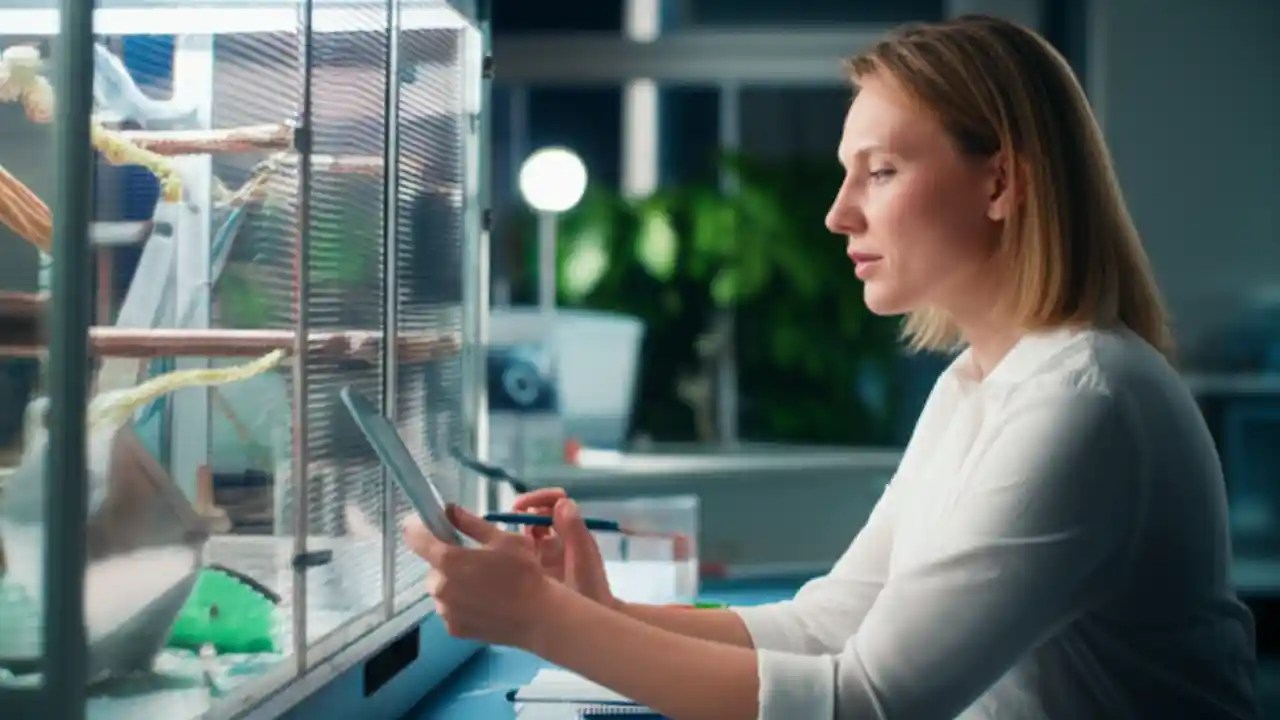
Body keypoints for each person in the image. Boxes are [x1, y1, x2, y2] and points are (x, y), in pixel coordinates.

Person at [403, 14, 1259, 720]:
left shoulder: (1084, 401)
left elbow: (866, 705)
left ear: (1001, 184)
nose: (838, 213)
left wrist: (545, 622)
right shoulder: (978, 386)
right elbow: (831, 624)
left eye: (880, 172)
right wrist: (604, 616)